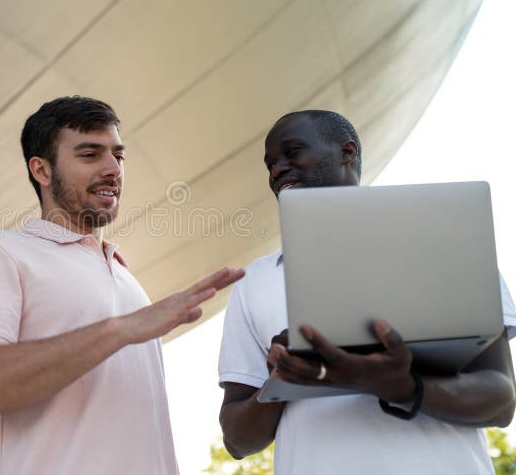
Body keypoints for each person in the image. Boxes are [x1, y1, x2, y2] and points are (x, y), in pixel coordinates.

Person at [0, 96, 243, 475]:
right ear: (42, 170)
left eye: (118, 156)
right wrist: (117, 331)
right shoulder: (2, 252)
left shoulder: (128, 281)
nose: (113, 169)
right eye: (90, 155)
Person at [218, 110, 516, 474]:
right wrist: (283, 378)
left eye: (292, 152)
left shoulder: (447, 246)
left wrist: (403, 387)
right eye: (270, 164)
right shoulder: (253, 282)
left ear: (347, 152)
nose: (277, 170)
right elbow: (237, 440)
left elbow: (501, 400)